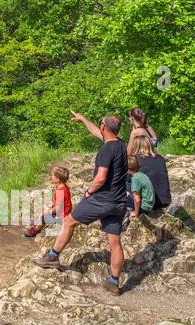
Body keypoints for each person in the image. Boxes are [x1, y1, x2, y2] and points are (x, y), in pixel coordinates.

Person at [37, 112, 128, 294]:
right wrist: (83, 119)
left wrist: (89, 191)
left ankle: (53, 257)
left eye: (100, 124)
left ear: (104, 127)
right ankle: (113, 282)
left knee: (69, 222)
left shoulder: (105, 150)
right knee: (115, 243)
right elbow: (97, 132)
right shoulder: (120, 144)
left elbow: (101, 178)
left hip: (102, 199)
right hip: (119, 202)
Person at [127, 120, 171, 210]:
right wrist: (146, 124)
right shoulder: (160, 158)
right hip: (165, 201)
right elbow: (155, 138)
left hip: (149, 204)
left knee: (125, 181)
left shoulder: (136, 160)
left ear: (136, 146)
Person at [24, 166, 72, 237]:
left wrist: (49, 211)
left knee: (44, 217)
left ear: (58, 179)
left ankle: (36, 229)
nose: (51, 177)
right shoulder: (64, 187)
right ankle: (38, 221)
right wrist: (52, 204)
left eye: (52, 175)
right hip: (64, 212)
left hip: (62, 216)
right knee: (45, 209)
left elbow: (58, 208)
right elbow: (61, 201)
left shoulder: (60, 191)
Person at [125, 152, 155, 219]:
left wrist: (136, 212)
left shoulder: (135, 179)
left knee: (124, 195)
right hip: (150, 205)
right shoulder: (141, 174)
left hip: (144, 208)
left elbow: (137, 199)